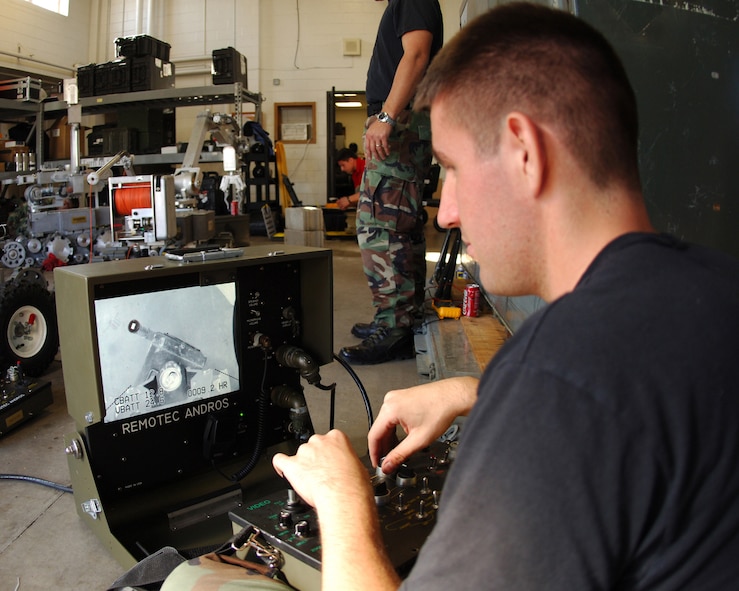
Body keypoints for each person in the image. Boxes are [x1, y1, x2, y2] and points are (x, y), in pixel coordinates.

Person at [273, 3, 739, 590]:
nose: (445, 213)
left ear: (525, 152)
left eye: (452, 169)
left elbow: (581, 393)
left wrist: (342, 502)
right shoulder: (715, 286)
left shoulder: (554, 380)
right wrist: (479, 391)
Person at [338, 0, 443, 365]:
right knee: (401, 224)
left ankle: (394, 326)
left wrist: (386, 115)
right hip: (404, 122)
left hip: (400, 122)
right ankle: (403, 317)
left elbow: (416, 55)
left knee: (380, 225)